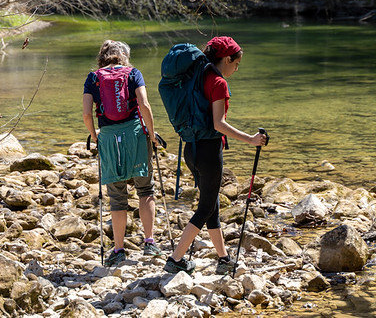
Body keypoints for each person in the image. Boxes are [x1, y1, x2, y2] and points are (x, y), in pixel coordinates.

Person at [163, 36, 267, 275]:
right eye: (236, 64)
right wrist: (250, 140)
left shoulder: (197, 75)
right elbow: (218, 124)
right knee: (206, 206)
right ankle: (175, 259)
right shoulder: (218, 82)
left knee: (213, 205)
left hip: (191, 148)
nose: (236, 69)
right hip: (209, 151)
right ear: (227, 58)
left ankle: (223, 258)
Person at [82, 40, 163, 267]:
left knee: (117, 196)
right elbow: (144, 105)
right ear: (124, 56)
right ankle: (149, 242)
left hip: (108, 136)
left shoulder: (93, 78)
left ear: (102, 57)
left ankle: (118, 249)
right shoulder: (133, 73)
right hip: (135, 134)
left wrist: (95, 136)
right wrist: (152, 133)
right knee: (145, 189)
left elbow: (87, 114)